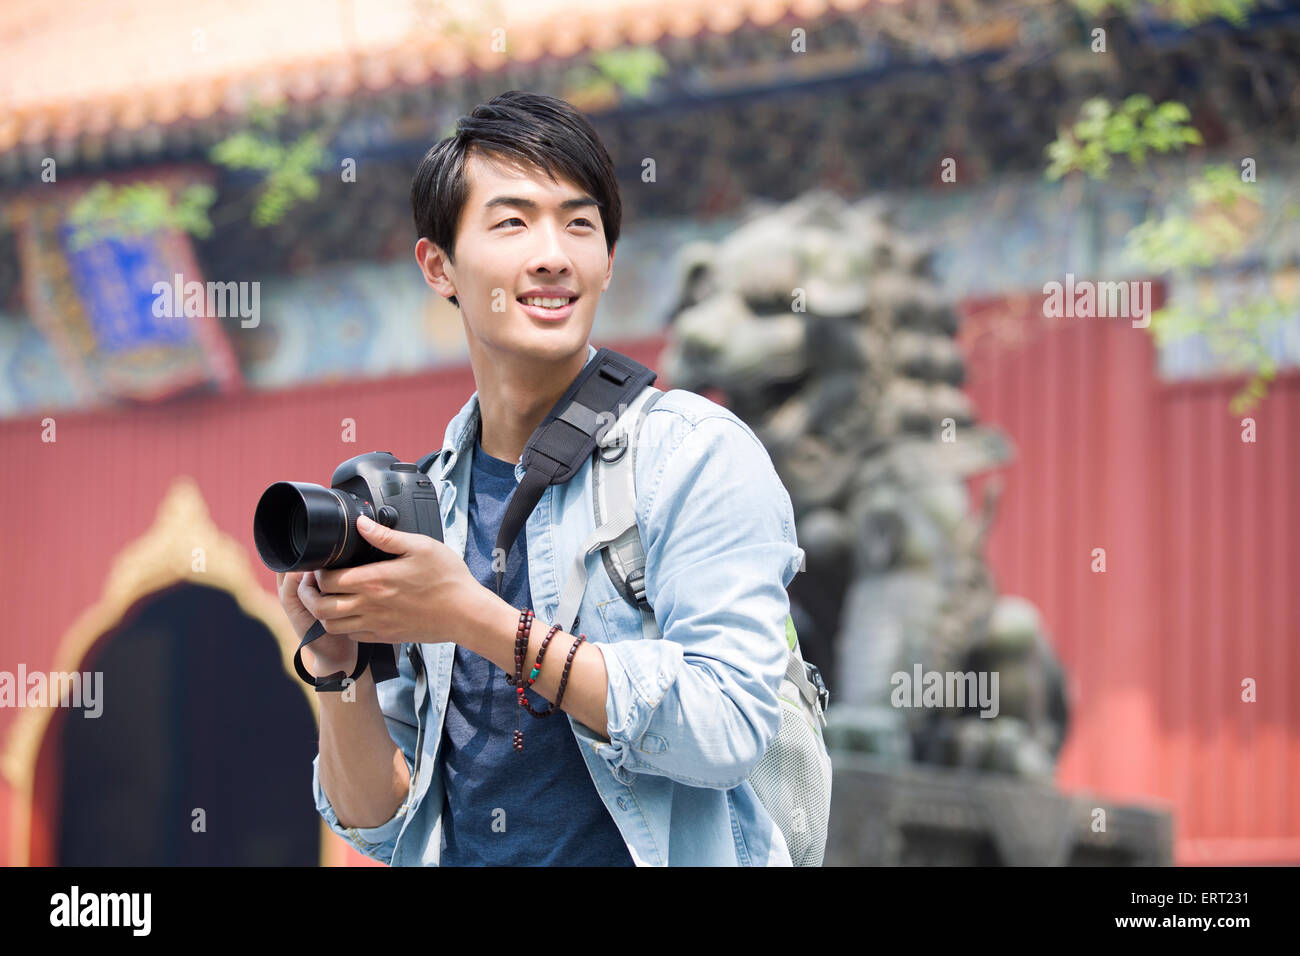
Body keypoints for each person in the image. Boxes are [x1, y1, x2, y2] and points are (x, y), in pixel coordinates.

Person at [275, 90, 806, 866]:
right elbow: (378, 821)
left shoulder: (694, 455)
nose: (553, 253)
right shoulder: (429, 507)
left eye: (579, 223)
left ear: (607, 261)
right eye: (513, 221)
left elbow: (725, 727)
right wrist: (338, 662)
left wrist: (471, 619)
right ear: (439, 265)